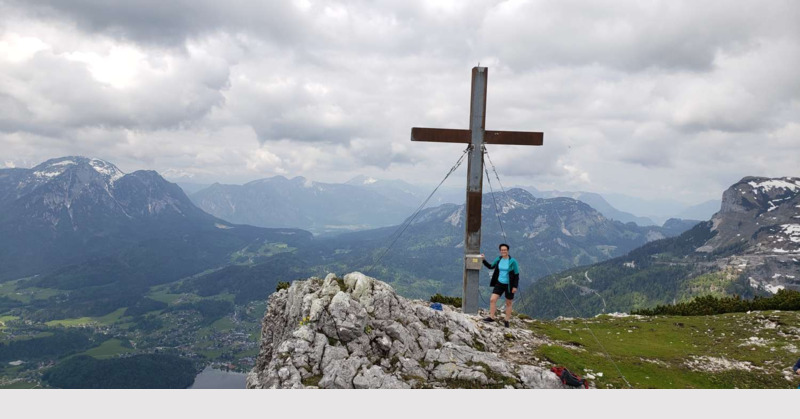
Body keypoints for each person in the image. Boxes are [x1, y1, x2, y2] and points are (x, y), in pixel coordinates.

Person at [480, 243, 519, 328]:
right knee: (492, 299)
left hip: (509, 285)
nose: (503, 251)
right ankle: (491, 317)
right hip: (499, 283)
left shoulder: (513, 261)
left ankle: (506, 320)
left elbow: (516, 274)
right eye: (502, 250)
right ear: (500, 251)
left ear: (507, 251)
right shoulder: (498, 259)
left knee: (508, 303)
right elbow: (491, 266)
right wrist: (483, 260)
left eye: (505, 250)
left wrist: (515, 286)